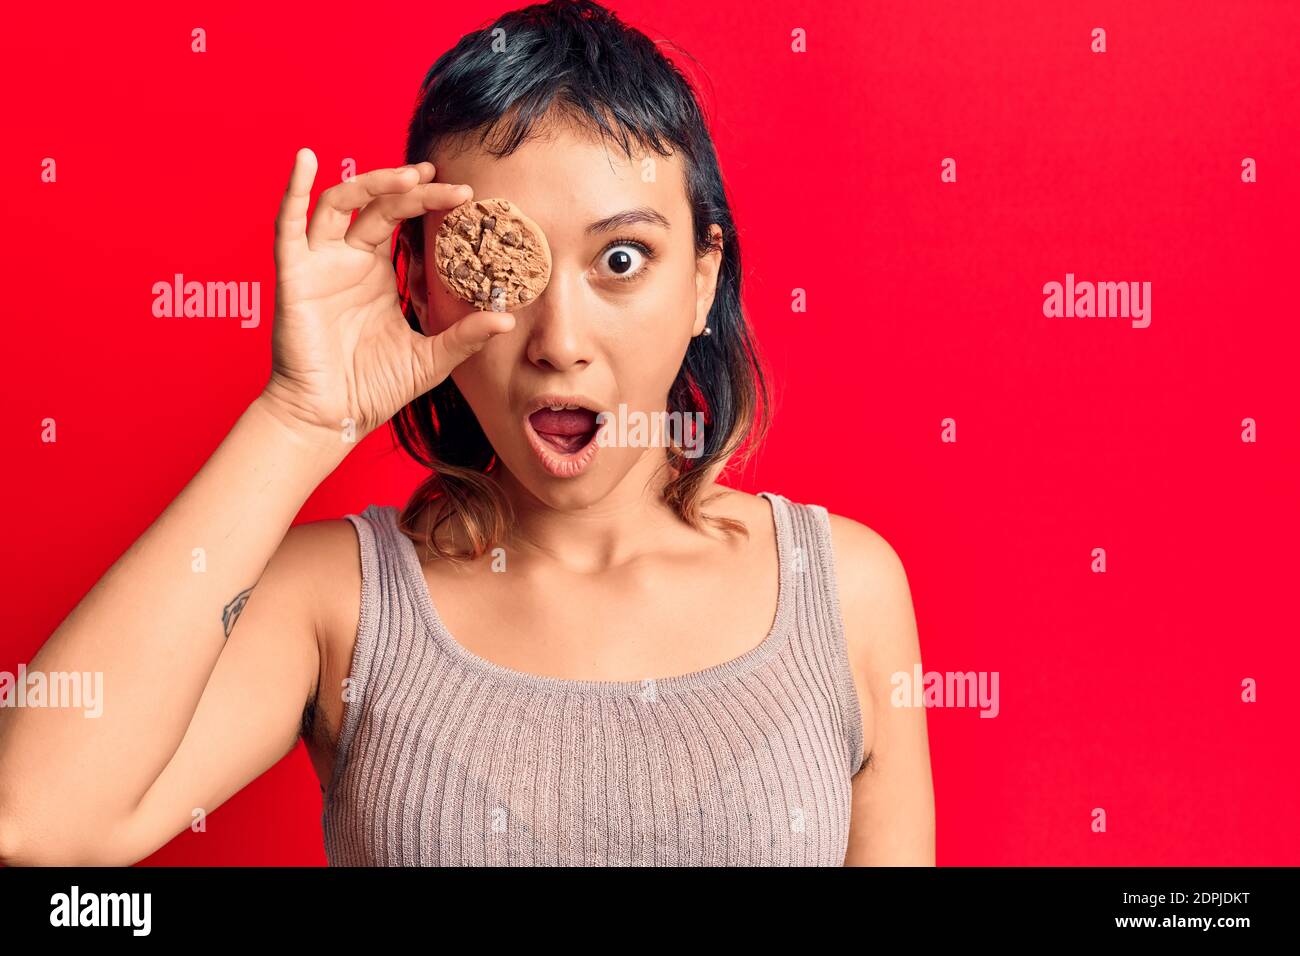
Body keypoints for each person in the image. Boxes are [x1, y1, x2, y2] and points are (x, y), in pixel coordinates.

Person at [0, 0, 933, 867]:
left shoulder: (842, 592)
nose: (559, 342)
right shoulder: (341, 603)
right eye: (502, 265)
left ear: (700, 279)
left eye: (621, 259)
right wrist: (298, 417)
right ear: (420, 286)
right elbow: (34, 822)